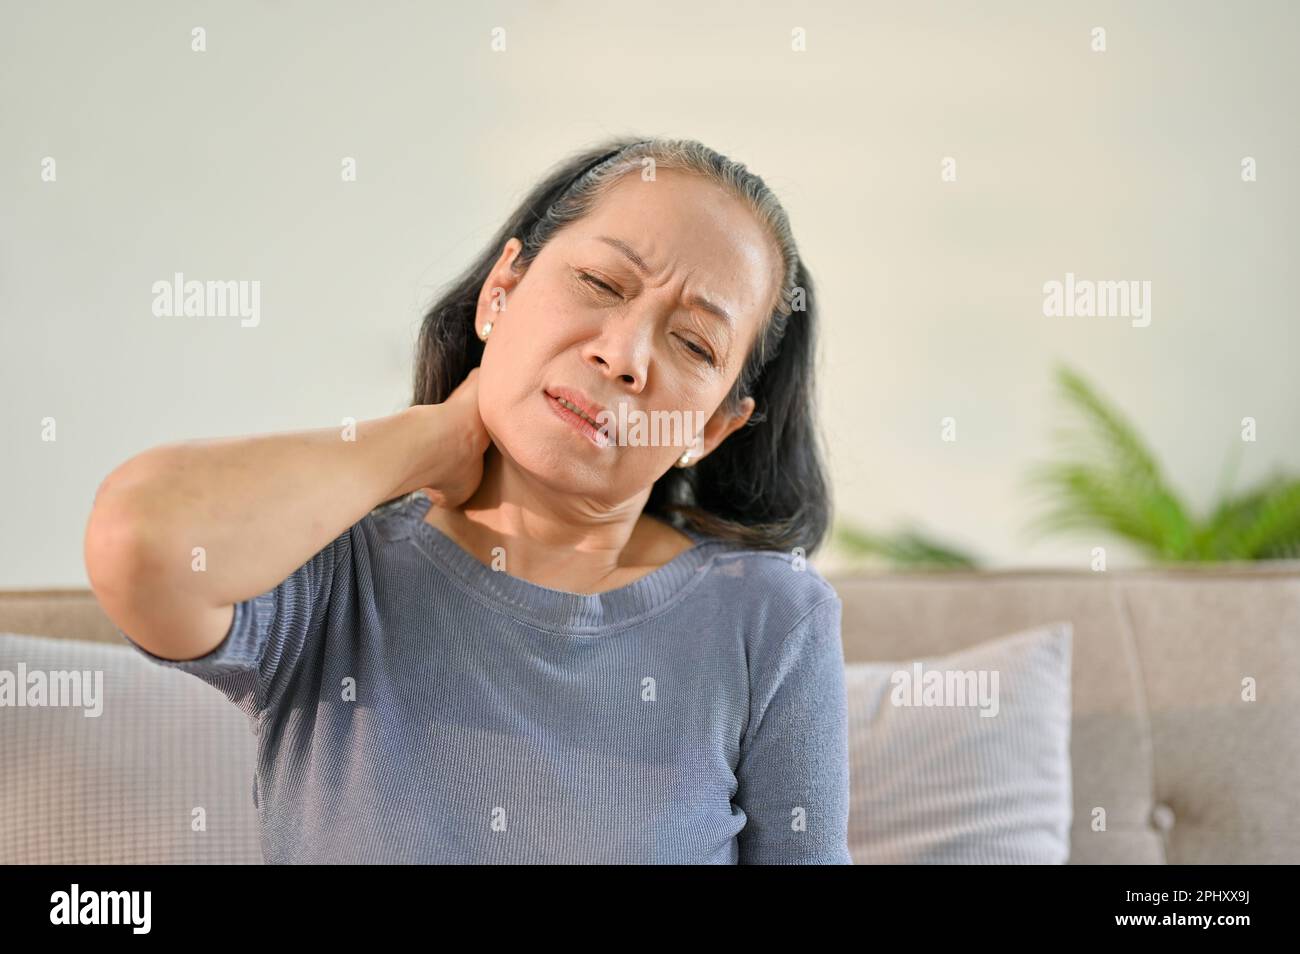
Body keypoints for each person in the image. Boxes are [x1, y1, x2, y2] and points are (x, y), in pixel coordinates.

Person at [84, 136, 852, 864]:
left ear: (714, 428)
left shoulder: (768, 617)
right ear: (502, 291)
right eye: (601, 284)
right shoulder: (336, 574)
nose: (621, 355)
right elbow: (138, 539)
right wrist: (433, 437)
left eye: (693, 344)